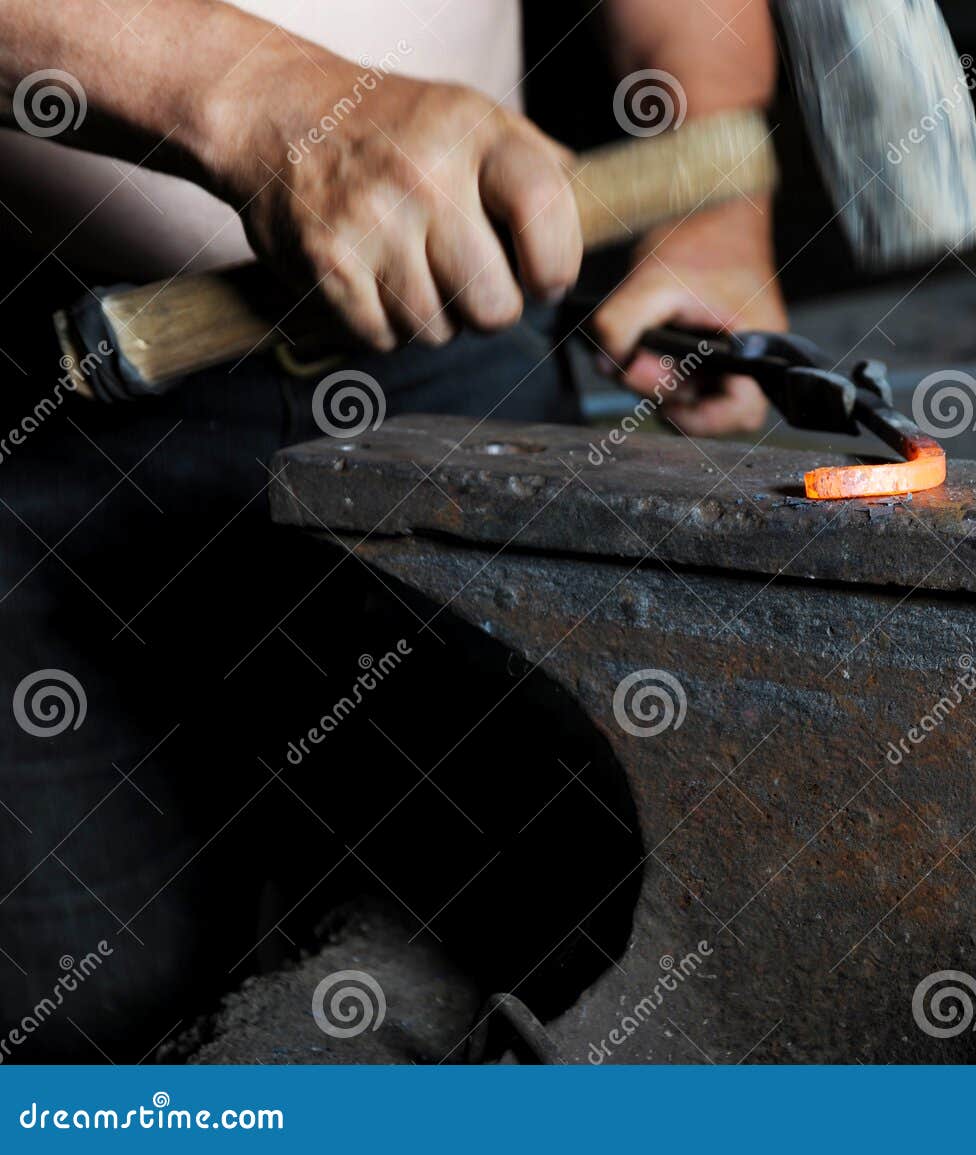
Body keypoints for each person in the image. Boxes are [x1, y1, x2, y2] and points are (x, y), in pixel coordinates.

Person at [0, 0, 784, 1061]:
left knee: (567, 952)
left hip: (458, 360)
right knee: (86, 1015)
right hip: (50, 409)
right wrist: (268, 97)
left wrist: (711, 209)